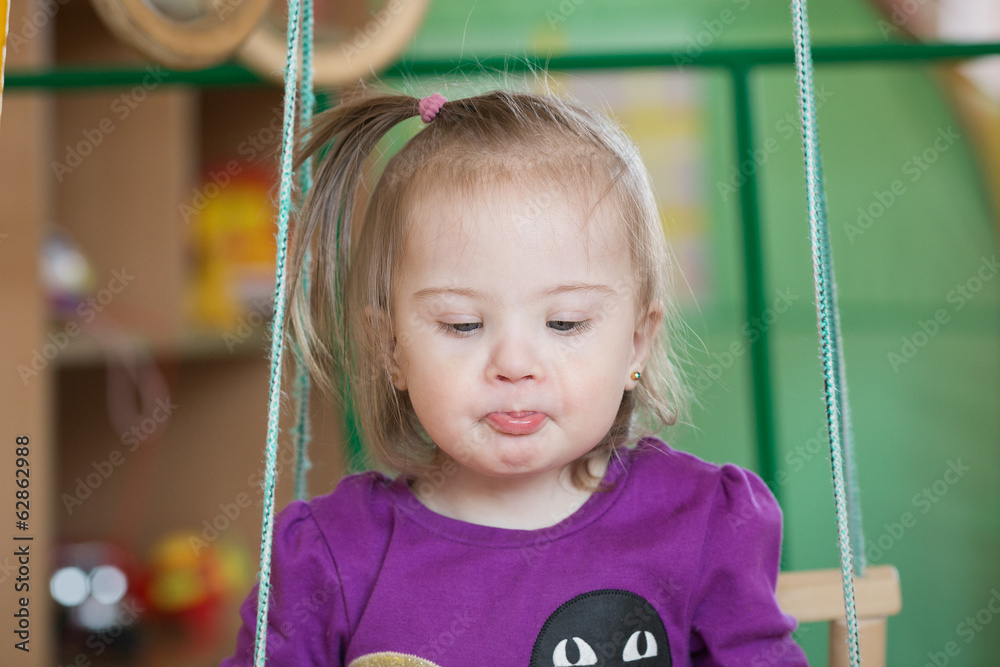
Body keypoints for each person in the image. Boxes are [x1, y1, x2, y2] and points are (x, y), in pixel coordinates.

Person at [222, 88, 808, 666]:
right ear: (391, 348)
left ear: (637, 339)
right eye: (462, 324)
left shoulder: (702, 523)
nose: (514, 364)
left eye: (564, 321)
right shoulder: (330, 557)